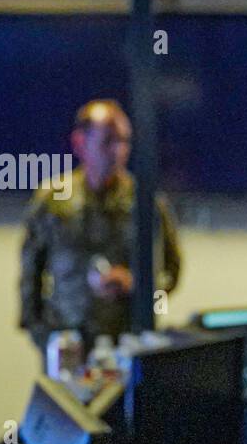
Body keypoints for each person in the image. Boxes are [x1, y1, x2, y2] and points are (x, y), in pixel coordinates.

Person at [19, 99, 181, 354]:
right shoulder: (53, 200)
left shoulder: (146, 203)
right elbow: (30, 275)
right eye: (108, 141)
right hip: (67, 341)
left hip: (129, 342)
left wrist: (138, 285)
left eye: (124, 142)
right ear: (80, 143)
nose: (118, 151)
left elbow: (171, 270)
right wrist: (43, 337)